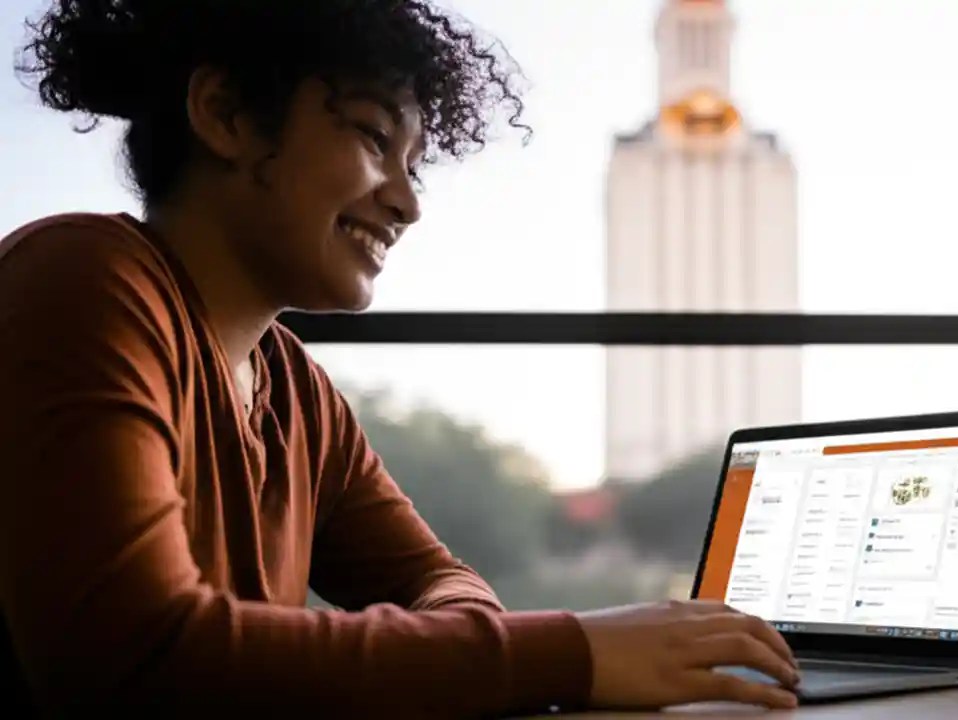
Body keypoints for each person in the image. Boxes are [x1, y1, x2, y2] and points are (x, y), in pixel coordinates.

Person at [0, 0, 801, 716]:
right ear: (226, 114)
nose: (408, 203)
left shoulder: (295, 388)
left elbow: (444, 584)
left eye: (415, 165)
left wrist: (494, 646)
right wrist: (579, 651)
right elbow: (135, 657)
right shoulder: (81, 281)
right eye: (376, 139)